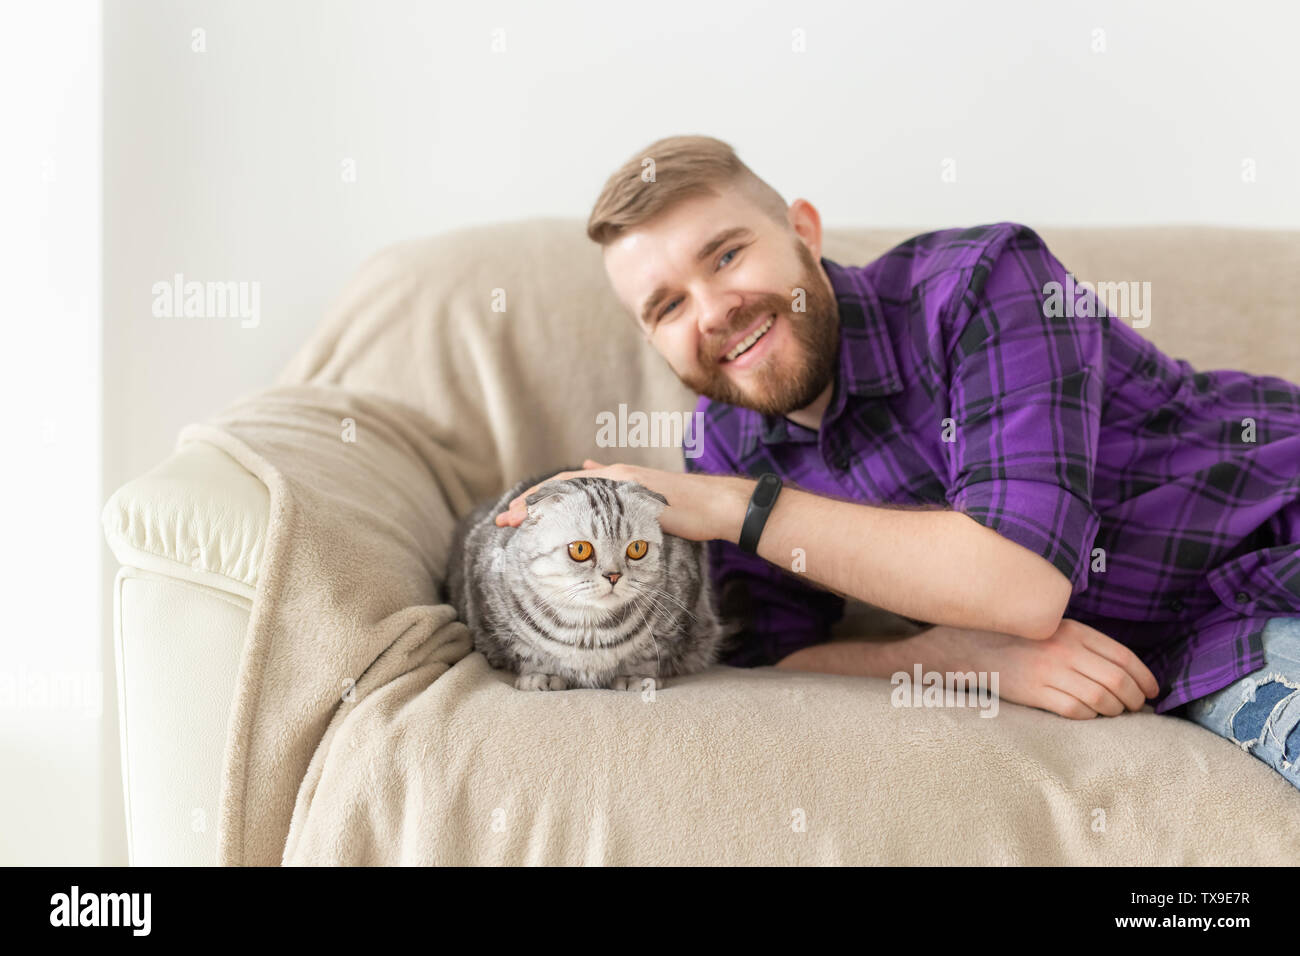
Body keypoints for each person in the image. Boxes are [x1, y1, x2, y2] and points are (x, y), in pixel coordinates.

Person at [495, 134, 1300, 789]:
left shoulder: (982, 282)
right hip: (1214, 646)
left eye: (727, 256)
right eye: (667, 306)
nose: (713, 312)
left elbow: (1021, 584)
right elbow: (770, 657)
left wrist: (741, 509)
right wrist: (952, 656)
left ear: (803, 230)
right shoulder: (727, 445)